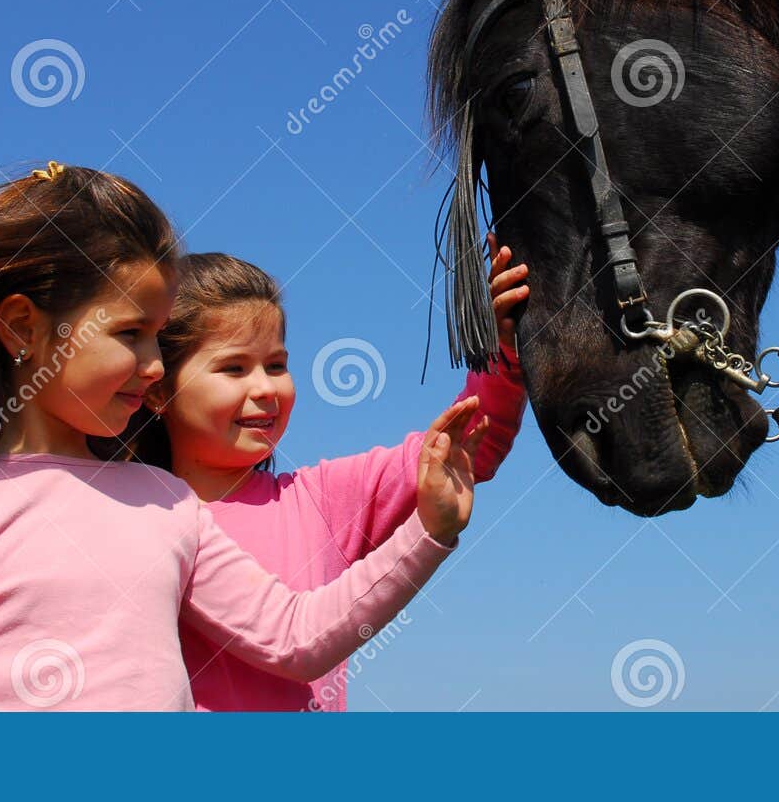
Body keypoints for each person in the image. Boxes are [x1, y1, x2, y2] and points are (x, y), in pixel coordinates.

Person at [0, 162, 483, 711]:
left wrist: (429, 532)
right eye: (129, 334)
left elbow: (294, 635)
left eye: (159, 338)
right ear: (22, 327)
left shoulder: (165, 501)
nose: (152, 365)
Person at [120, 234, 529, 710]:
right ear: (155, 389)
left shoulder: (323, 500)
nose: (265, 388)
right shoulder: (124, 516)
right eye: (232, 368)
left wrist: (503, 347)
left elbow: (465, 450)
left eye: (276, 365)